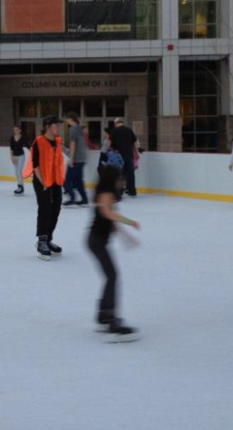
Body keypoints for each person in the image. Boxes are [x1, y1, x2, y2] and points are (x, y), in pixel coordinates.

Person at [88, 164, 141, 342]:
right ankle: (110, 318)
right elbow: (106, 212)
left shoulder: (106, 193)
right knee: (112, 276)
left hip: (96, 242)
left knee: (111, 276)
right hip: (96, 242)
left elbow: (110, 223)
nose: (122, 182)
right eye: (119, 179)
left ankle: (104, 314)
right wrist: (129, 221)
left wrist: (126, 237)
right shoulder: (106, 194)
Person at [24, 116, 65, 260]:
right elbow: (35, 165)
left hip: (56, 181)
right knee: (45, 209)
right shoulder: (39, 142)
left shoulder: (58, 141)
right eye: (56, 125)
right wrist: (43, 183)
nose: (58, 127)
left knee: (55, 210)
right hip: (42, 181)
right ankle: (41, 241)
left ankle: (48, 238)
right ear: (48, 126)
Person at [63, 111, 89, 207]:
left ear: (70, 119)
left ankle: (72, 198)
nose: (66, 121)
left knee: (67, 180)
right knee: (78, 180)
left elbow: (72, 144)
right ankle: (84, 199)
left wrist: (71, 159)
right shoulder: (80, 128)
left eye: (66, 119)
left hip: (77, 158)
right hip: (82, 157)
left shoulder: (72, 129)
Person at [108, 119, 139, 197]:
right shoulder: (129, 130)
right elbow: (134, 142)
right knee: (130, 173)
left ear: (115, 123)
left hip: (118, 156)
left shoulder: (115, 131)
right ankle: (132, 191)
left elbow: (109, 141)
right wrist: (136, 152)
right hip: (129, 154)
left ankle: (120, 191)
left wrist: (109, 150)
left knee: (120, 174)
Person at [9, 125, 28, 195]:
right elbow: (11, 148)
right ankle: (21, 187)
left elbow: (28, 145)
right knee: (17, 173)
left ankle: (20, 187)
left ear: (20, 130)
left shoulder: (23, 137)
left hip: (21, 156)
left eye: (17, 130)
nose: (15, 131)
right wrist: (12, 157)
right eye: (14, 130)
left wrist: (32, 150)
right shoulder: (12, 138)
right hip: (14, 157)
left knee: (19, 171)